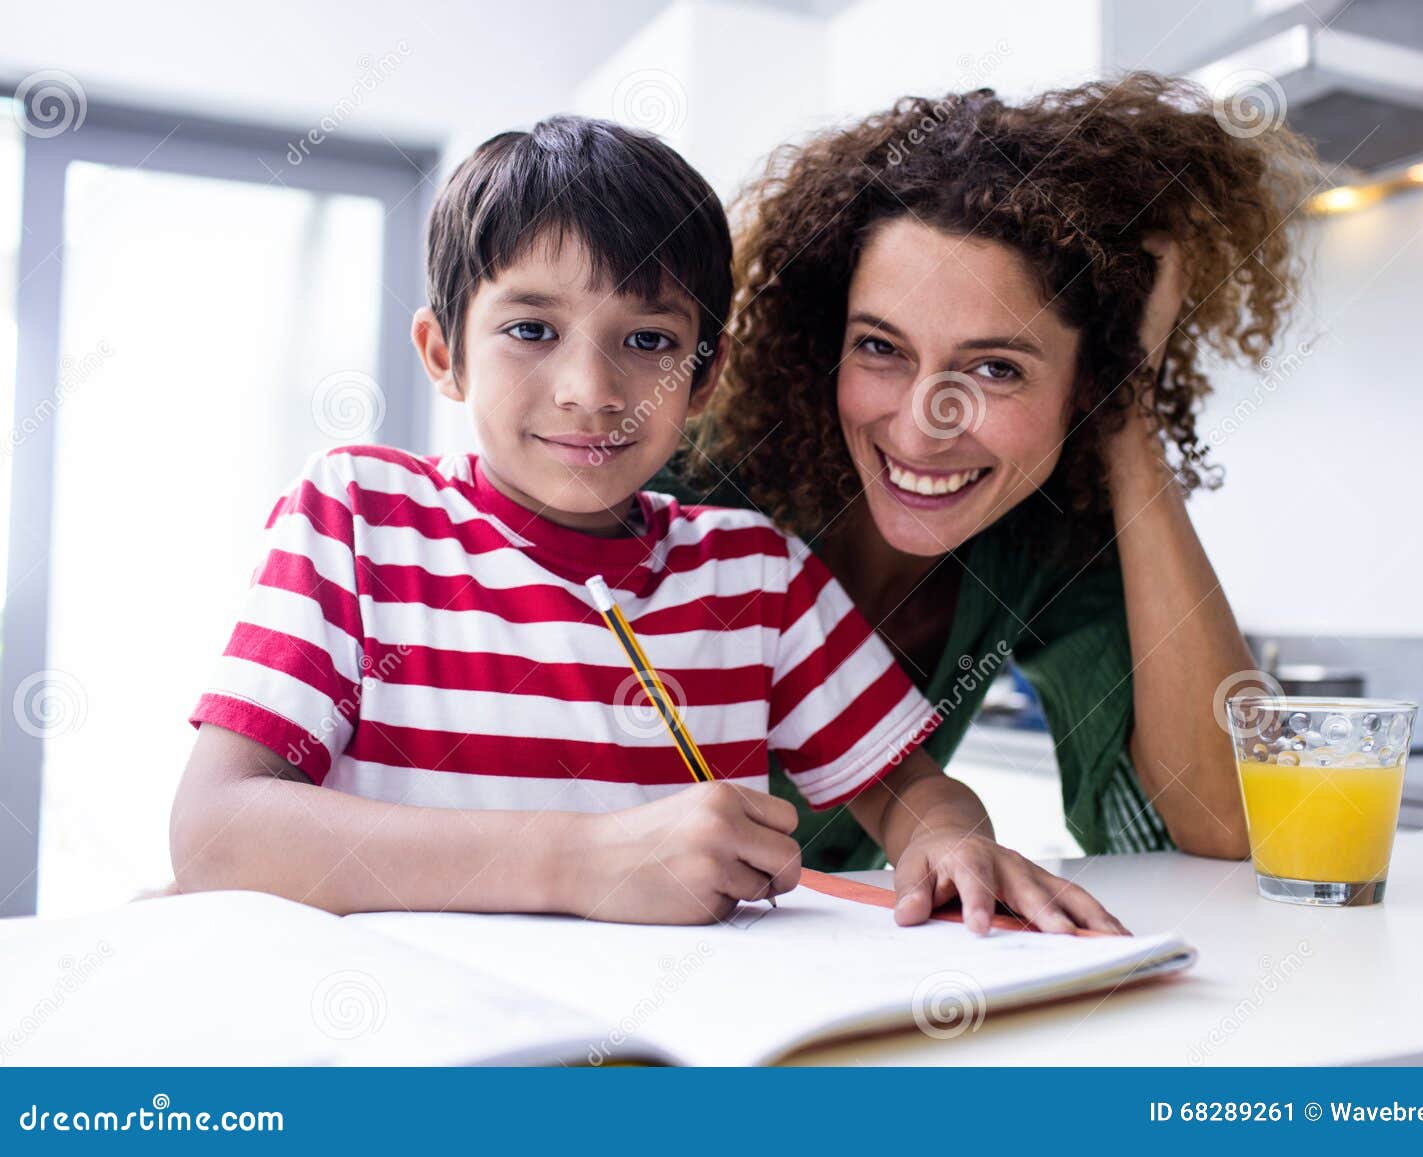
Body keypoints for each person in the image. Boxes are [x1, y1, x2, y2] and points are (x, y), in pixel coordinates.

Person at [169, 115, 1127, 936]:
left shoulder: (755, 576)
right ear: (443, 351)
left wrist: (950, 838)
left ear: (702, 378)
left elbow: (910, 790)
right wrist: (579, 862)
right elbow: (216, 829)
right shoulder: (356, 517)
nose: (591, 391)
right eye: (531, 329)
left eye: (649, 341)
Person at [655, 74, 1315, 871]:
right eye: (880, 347)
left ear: (1084, 382)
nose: (921, 423)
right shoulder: (684, 479)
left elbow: (1226, 819)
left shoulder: (1044, 532)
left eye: (997, 368)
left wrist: (1127, 410)